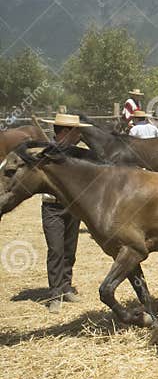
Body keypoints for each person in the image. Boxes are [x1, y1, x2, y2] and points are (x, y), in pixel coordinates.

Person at [38, 113, 93, 313]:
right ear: (65, 132)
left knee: (70, 249)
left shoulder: (77, 153)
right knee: (56, 250)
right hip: (52, 207)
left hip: (72, 206)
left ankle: (66, 287)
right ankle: (55, 294)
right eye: (76, 131)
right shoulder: (45, 153)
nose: (79, 135)